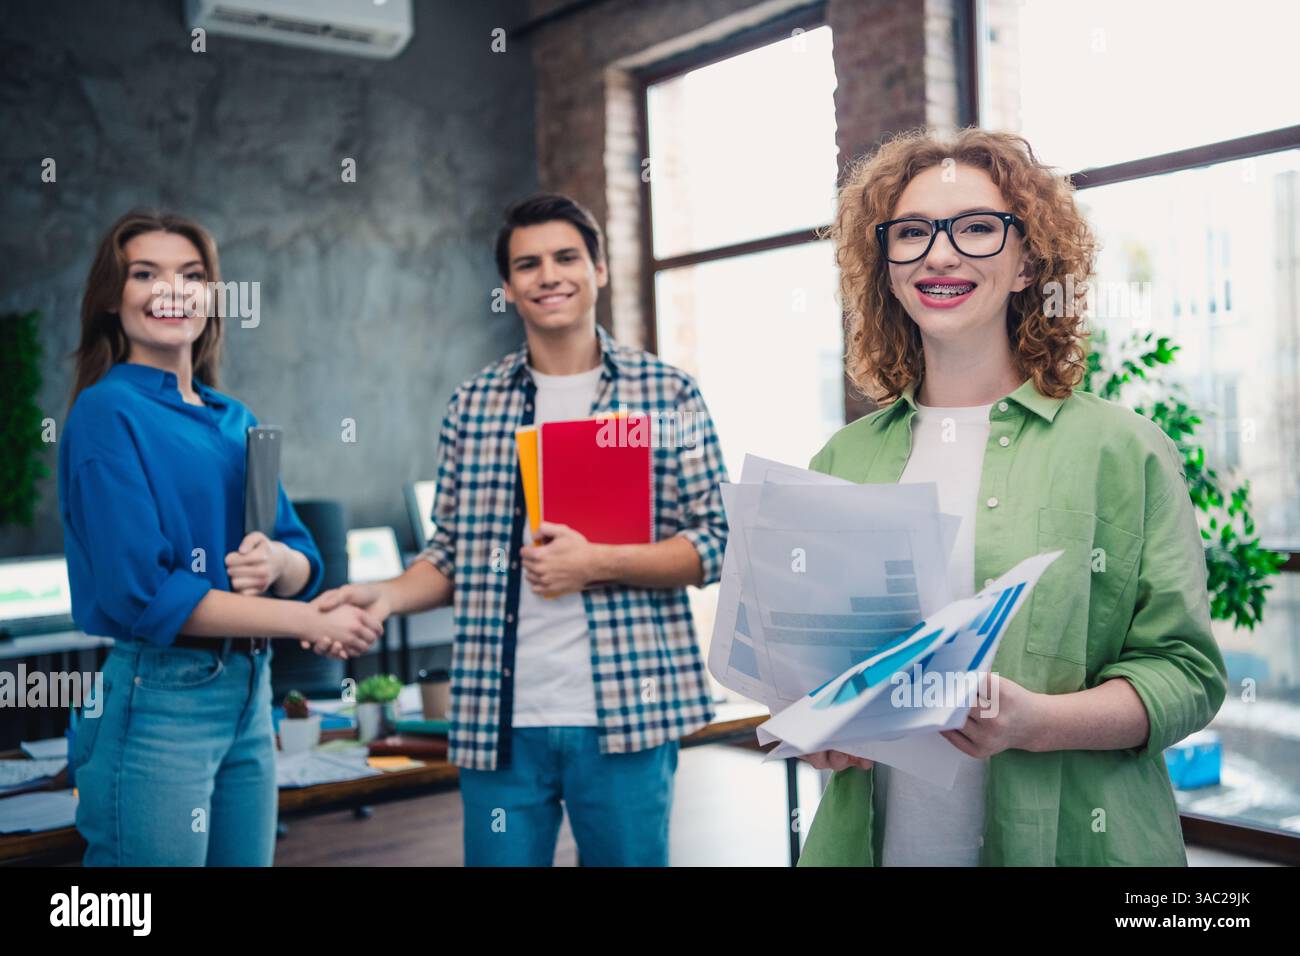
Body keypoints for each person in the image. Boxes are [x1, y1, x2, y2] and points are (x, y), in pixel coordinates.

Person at [796, 128, 1227, 866]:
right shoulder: (843, 457)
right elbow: (819, 671)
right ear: (887, 265)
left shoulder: (1121, 450)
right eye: (911, 233)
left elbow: (1187, 676)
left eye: (975, 228)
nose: (939, 253)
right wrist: (823, 727)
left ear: (1029, 261)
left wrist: (1036, 722)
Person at [313, 193, 730, 866]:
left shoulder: (667, 393)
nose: (548, 275)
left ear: (599, 269)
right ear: (507, 288)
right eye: (527, 264)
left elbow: (717, 540)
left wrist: (597, 563)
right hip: (499, 720)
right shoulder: (474, 403)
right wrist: (385, 596)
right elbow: (450, 555)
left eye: (567, 257)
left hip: (628, 712)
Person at [61, 210, 384, 866]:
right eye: (144, 274)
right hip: (158, 705)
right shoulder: (105, 412)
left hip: (249, 698)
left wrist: (280, 564)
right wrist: (305, 618)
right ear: (111, 299)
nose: (170, 289)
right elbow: (145, 594)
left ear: (212, 298)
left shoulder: (235, 418)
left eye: (191, 274)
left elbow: (303, 555)